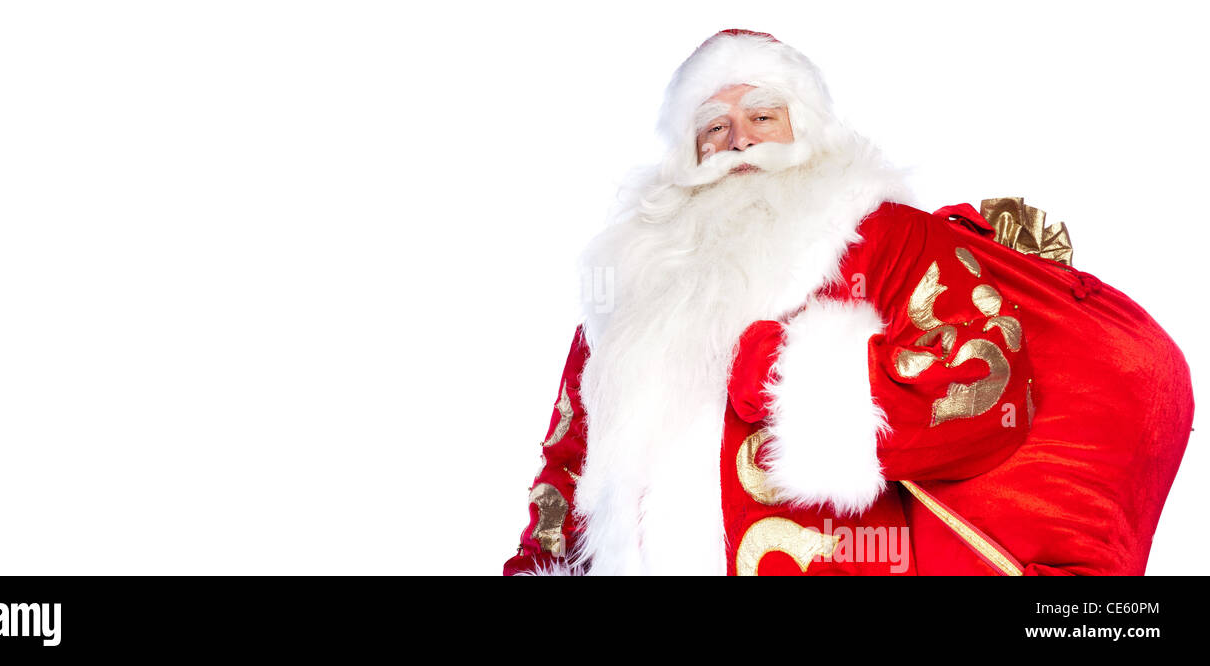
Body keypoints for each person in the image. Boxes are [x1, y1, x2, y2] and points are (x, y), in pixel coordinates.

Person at [503, 29, 1193, 576]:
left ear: (805, 130)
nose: (737, 140)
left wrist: (790, 380)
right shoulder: (634, 287)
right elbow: (570, 460)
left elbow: (988, 383)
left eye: (761, 116)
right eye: (712, 127)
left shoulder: (884, 236)